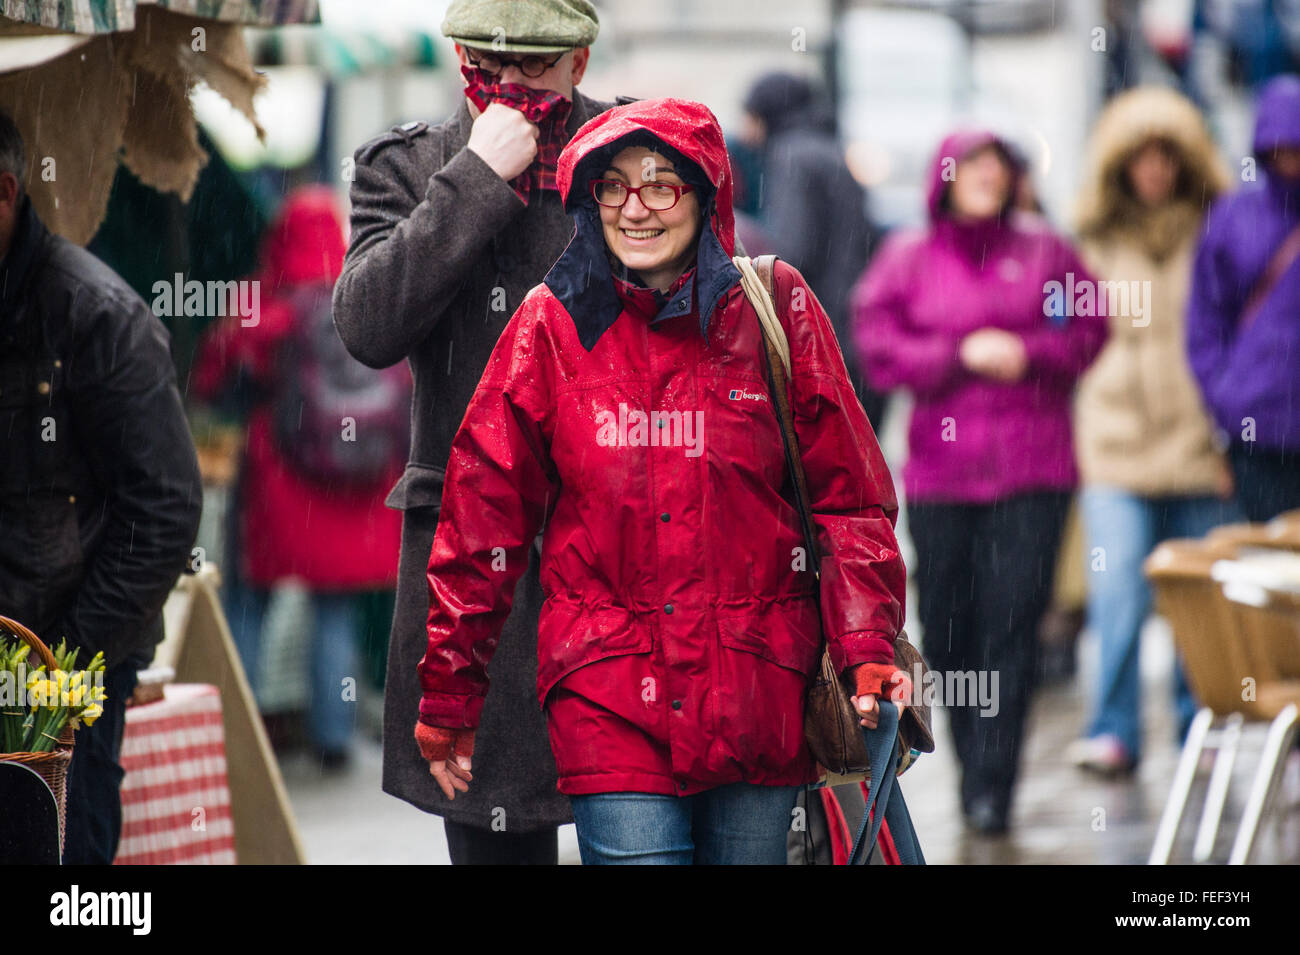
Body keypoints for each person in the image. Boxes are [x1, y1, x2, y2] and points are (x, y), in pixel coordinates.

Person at [413, 97, 911, 865]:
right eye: (612, 186)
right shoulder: (552, 328)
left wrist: (865, 640)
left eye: (659, 184)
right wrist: (451, 688)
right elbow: (481, 517)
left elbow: (849, 497)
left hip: (760, 689)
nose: (634, 208)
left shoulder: (775, 307)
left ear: (706, 194)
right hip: (608, 695)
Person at [331, 0, 619, 864]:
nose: (513, 84)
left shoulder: (631, 153)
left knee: (642, 819)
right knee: (494, 829)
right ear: (460, 55)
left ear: (580, 59)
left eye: (537, 64)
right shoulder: (410, 162)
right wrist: (475, 179)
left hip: (617, 536)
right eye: (491, 64)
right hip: (471, 553)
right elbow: (369, 326)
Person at [852, 131, 1107, 834]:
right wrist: (955, 353)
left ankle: (994, 786)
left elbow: (1091, 327)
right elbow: (877, 345)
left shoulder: (1046, 251)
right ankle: (970, 770)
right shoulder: (908, 257)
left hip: (1033, 473)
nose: (988, 179)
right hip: (943, 478)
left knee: (1012, 626)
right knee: (953, 629)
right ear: (945, 178)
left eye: (999, 167)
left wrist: (1026, 353)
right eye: (974, 167)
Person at [0, 110, 202, 863]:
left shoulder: (98, 315)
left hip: (66, 669)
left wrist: (68, 658)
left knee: (64, 869)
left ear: (6, 193)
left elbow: (167, 508)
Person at [192, 187, 405, 767]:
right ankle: (333, 739)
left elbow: (211, 383)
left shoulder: (261, 305)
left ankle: (240, 739)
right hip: (350, 487)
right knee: (332, 611)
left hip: (276, 482)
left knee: (247, 604)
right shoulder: (363, 298)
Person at [1065, 87, 1240, 776]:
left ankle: (1202, 723)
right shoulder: (1090, 240)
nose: (1156, 168)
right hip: (1115, 442)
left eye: (1168, 154)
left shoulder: (1213, 232)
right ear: (1120, 163)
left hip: (1200, 443)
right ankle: (1114, 729)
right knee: (1118, 595)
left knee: (1201, 598)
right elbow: (1066, 328)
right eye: (1142, 155)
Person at [740, 72, 885, 429]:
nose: (746, 131)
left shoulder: (792, 156)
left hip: (823, 332)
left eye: (751, 117)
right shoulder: (828, 149)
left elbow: (792, 249)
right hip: (853, 330)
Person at [1187, 74, 1300, 522]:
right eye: (1279, 147)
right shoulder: (1234, 217)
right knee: (1264, 566)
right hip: (1256, 428)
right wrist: (1225, 396)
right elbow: (1205, 320)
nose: (1288, 159)